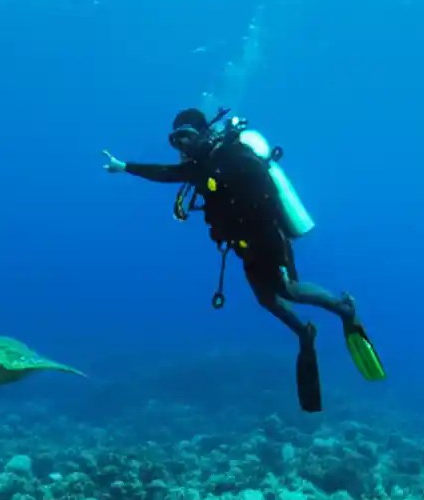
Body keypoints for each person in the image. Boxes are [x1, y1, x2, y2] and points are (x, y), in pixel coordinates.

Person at [101, 107, 384, 413]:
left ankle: (345, 307)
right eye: (176, 141)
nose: (182, 147)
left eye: (186, 138)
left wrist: (241, 202)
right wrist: (124, 166)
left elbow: (260, 189)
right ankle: (305, 332)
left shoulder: (230, 156)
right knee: (266, 300)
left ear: (203, 134)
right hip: (243, 245)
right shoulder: (199, 167)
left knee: (289, 290)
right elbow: (164, 173)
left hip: (268, 238)